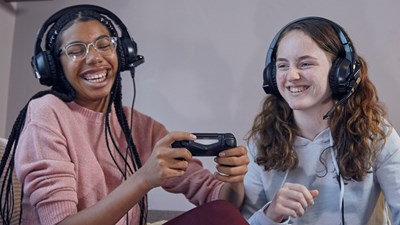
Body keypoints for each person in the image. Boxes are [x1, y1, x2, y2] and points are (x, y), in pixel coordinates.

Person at [0, 4, 250, 225]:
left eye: (103, 45)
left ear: (122, 54)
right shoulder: (47, 113)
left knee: (220, 214)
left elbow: (224, 201)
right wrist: (144, 179)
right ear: (53, 67)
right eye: (76, 50)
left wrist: (234, 179)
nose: (95, 57)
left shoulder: (139, 126)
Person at [240, 16, 400, 225]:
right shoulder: (262, 140)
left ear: (341, 72)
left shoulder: (376, 135)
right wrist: (270, 214)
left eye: (305, 63)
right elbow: (244, 221)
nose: (292, 75)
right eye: (282, 65)